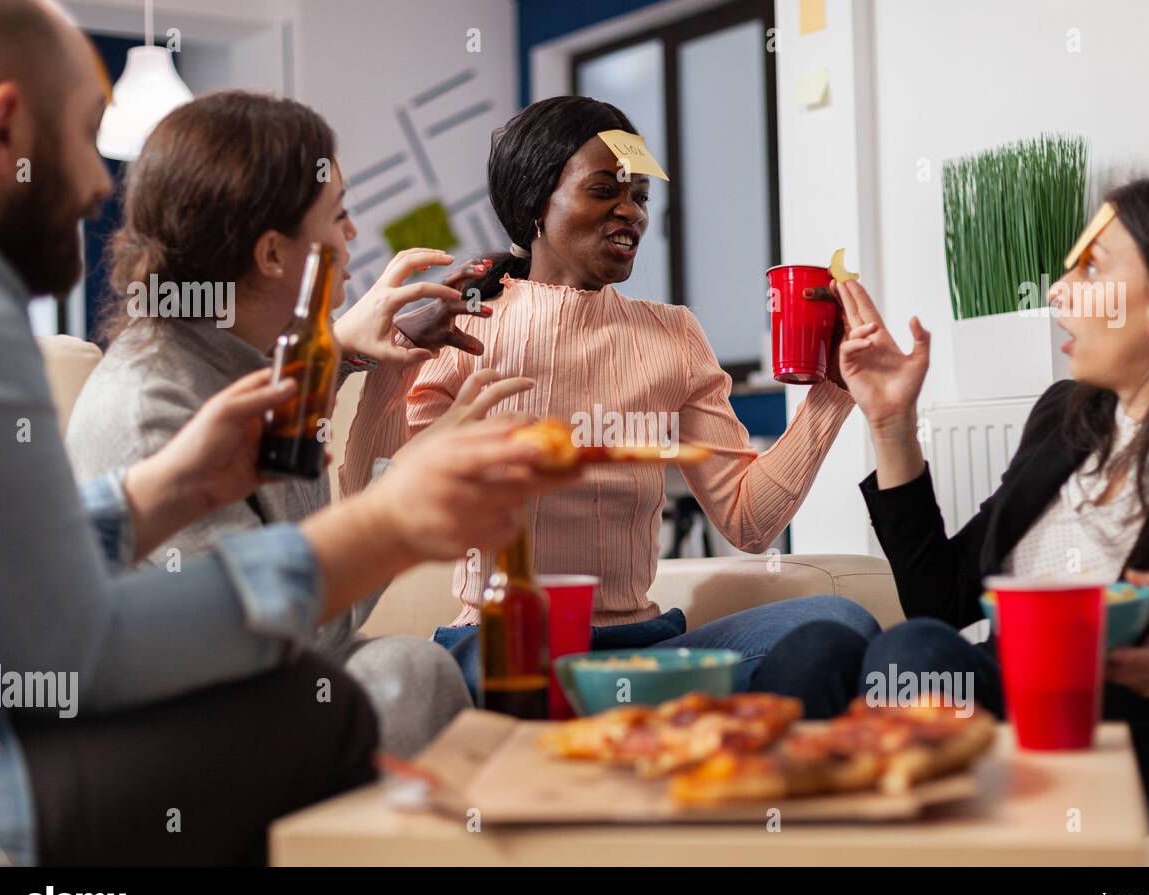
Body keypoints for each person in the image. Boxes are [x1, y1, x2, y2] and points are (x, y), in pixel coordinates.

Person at [0, 0, 565, 865]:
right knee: (386, 679)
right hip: (14, 781)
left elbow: (23, 589)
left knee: (416, 668)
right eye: (87, 131)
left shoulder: (254, 372)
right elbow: (91, 644)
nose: (105, 186)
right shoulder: (78, 361)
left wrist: (165, 491)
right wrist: (393, 512)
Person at [344, 96, 881, 716]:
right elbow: (369, 498)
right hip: (507, 643)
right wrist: (396, 353)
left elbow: (749, 521)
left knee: (838, 622)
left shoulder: (673, 334)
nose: (630, 211)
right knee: (513, 667)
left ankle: (687, 746)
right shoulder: (465, 323)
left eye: (640, 197)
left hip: (639, 649)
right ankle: (645, 730)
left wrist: (833, 392)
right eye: (605, 190)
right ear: (534, 205)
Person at [66, 91, 534, 757]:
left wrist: (346, 353)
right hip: (198, 735)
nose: (353, 238)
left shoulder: (240, 355)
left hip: (277, 694)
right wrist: (408, 482)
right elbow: (284, 642)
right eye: (338, 216)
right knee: (409, 673)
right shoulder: (152, 411)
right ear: (273, 256)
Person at [833, 171, 1149, 826]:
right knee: (818, 642)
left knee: (913, 653)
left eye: (1092, 269)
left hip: (1108, 741)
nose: (1059, 291)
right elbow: (945, 600)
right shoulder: (1065, 418)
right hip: (995, 704)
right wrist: (892, 424)